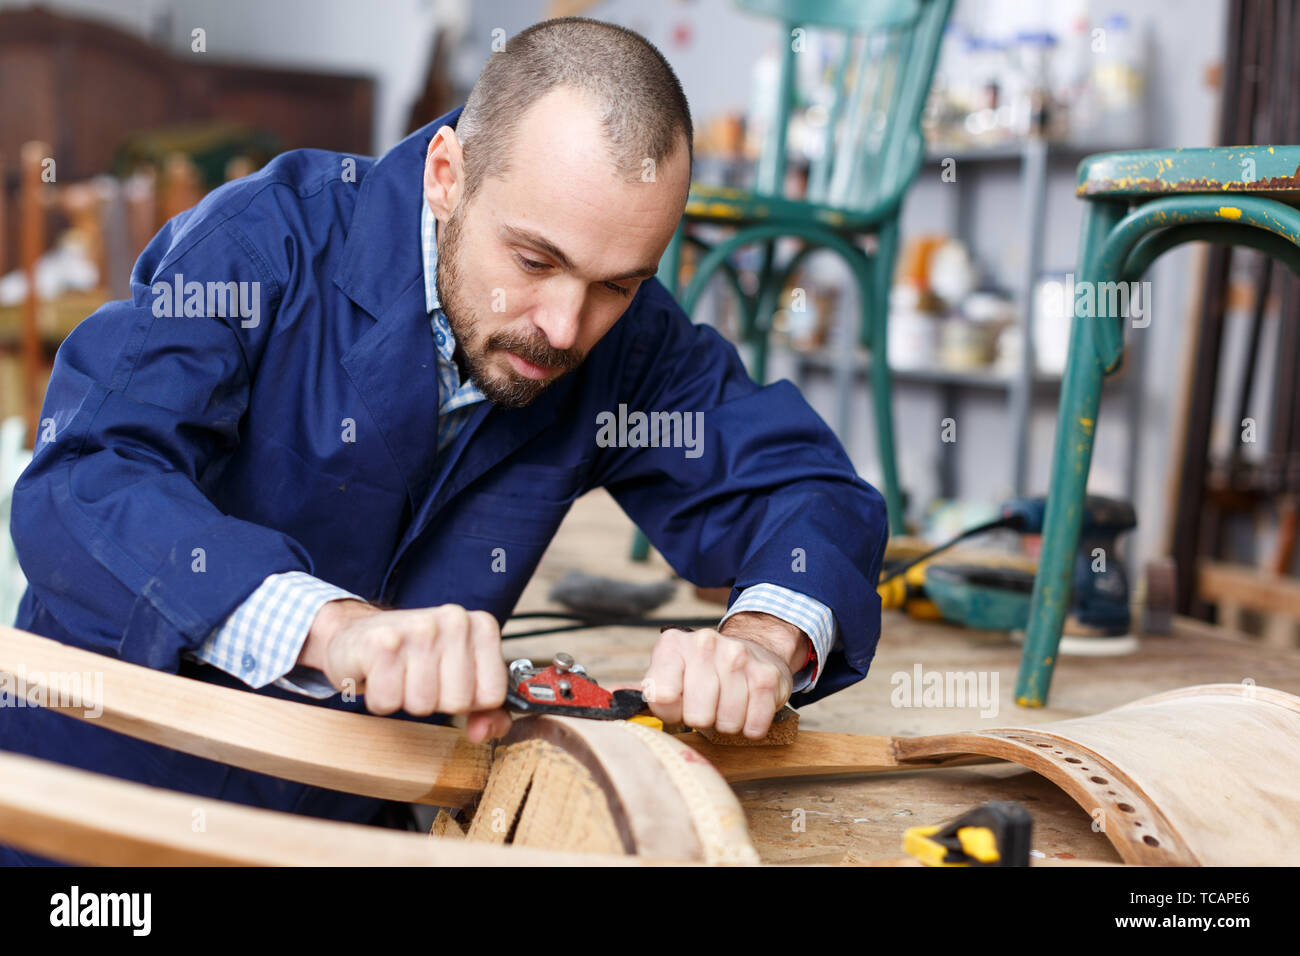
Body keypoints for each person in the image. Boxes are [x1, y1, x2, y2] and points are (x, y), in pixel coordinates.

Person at [0, 17, 887, 864]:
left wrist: (765, 642)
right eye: (534, 262)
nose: (564, 327)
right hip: (95, 801)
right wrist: (334, 629)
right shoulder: (258, 247)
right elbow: (86, 481)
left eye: (616, 283)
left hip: (348, 824)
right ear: (446, 173)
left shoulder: (626, 338)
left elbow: (805, 493)